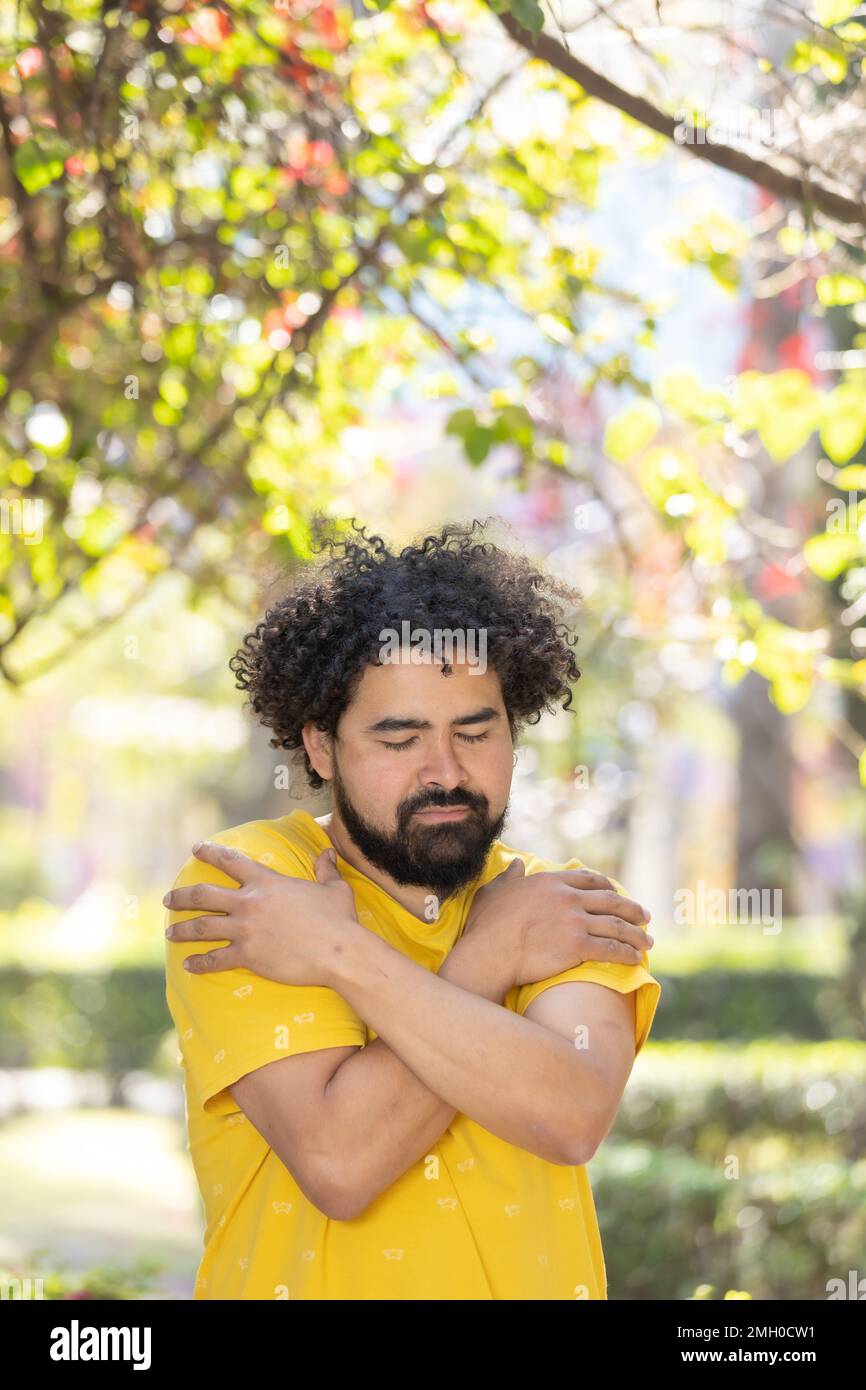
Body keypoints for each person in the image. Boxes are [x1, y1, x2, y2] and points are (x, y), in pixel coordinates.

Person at [162, 521, 661, 1300]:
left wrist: (338, 955)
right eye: (400, 740)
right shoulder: (252, 884)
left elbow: (569, 1116)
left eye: (475, 731)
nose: (446, 772)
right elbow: (339, 1162)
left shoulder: (560, 903)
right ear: (322, 748)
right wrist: (495, 956)